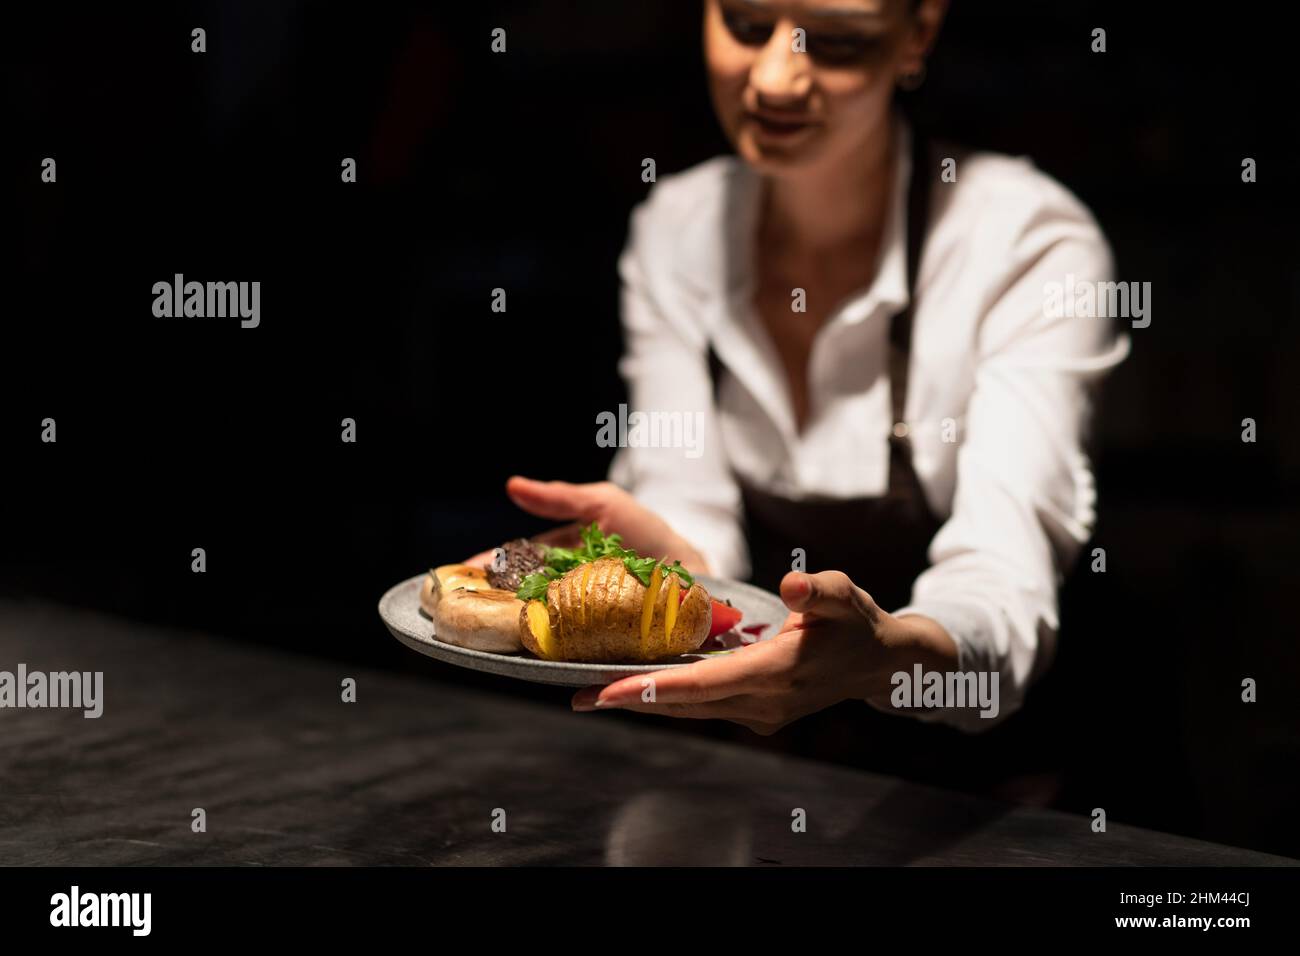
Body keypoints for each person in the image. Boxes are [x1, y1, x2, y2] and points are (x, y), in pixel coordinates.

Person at [493, 0, 1128, 783]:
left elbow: (1002, 581)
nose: (775, 79)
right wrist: (674, 559)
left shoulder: (1029, 245)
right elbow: (694, 516)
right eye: (747, 25)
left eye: (834, 41)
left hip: (990, 788)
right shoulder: (677, 227)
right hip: (753, 777)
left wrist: (878, 663)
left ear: (918, 35)